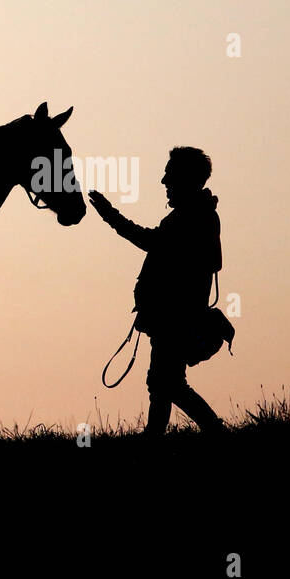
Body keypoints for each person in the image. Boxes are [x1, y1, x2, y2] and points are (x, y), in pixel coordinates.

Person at [89, 147, 225, 436]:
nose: (164, 181)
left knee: (168, 383)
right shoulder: (195, 214)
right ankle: (156, 438)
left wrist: (109, 214)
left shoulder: (192, 217)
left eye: (170, 174)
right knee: (163, 382)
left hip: (176, 317)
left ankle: (214, 433)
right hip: (173, 316)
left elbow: (149, 241)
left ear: (185, 178)